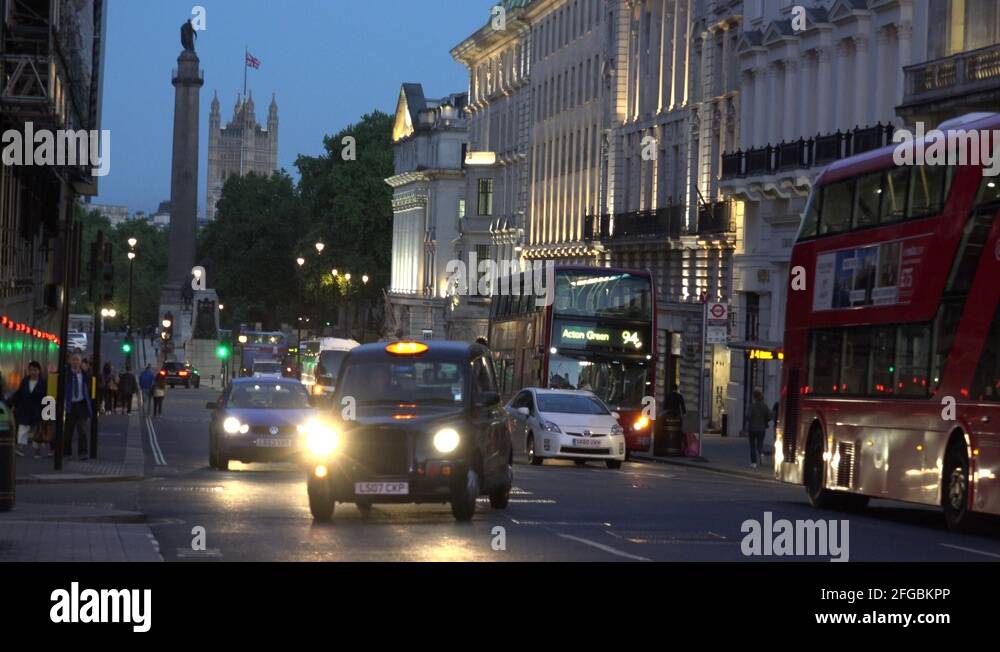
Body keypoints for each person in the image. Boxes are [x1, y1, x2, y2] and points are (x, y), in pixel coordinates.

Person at [10, 361, 46, 458]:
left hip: (37, 409)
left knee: (36, 430)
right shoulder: (25, 381)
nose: (33, 372)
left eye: (35, 370)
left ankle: (36, 450)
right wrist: (12, 404)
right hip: (25, 408)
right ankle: (20, 447)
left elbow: (46, 397)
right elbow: (19, 393)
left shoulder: (43, 383)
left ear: (39, 371)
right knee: (23, 428)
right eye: (31, 370)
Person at [63, 352, 92, 460]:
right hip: (70, 405)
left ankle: (83, 452)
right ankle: (67, 452)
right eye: (73, 359)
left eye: (77, 360)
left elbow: (89, 387)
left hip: (81, 404)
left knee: (82, 430)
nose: (75, 362)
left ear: (80, 362)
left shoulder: (84, 374)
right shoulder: (66, 374)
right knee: (68, 431)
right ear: (70, 361)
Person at [747, 388, 773, 469]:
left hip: (752, 428)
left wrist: (748, 420)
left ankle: (754, 463)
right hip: (761, 429)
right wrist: (765, 421)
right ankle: (762, 456)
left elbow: (748, 416)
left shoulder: (752, 406)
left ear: (754, 397)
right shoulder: (764, 406)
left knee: (752, 446)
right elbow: (770, 416)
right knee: (760, 444)